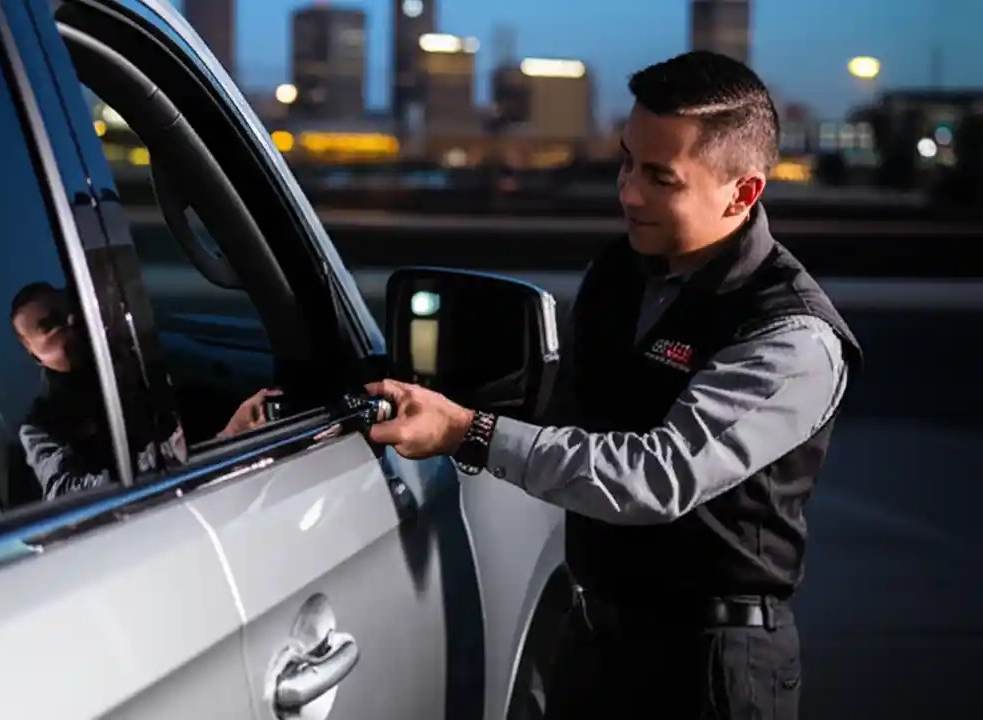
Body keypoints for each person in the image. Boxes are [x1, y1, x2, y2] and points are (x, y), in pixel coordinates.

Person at [365, 51, 863, 719]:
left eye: (660, 178)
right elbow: (568, 411)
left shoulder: (791, 337)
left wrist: (467, 431)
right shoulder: (622, 274)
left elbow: (654, 477)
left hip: (712, 669)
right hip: (592, 640)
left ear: (742, 192)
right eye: (627, 161)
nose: (627, 192)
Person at [10, 282, 279, 500]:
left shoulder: (143, 357)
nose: (70, 320)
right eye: (50, 324)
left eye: (70, 306)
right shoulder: (42, 425)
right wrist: (209, 443)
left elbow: (215, 380)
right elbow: (68, 496)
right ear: (33, 353)